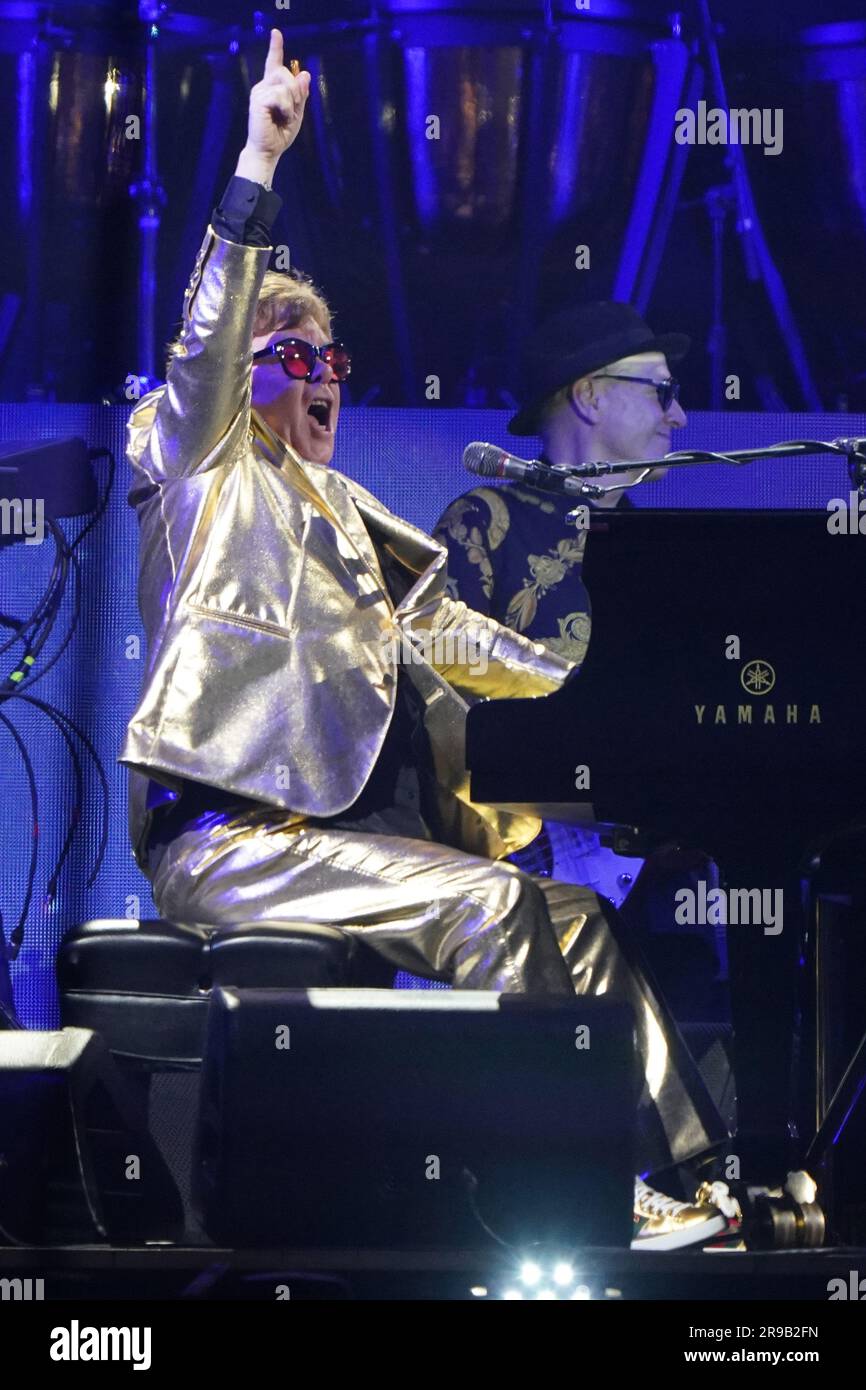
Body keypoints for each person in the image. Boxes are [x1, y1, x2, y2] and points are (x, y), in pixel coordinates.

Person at [119, 29, 732, 1248]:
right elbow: (200, 347)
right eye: (288, 358)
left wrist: (614, 709)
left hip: (330, 840)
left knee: (569, 916)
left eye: (330, 358)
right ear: (241, 379)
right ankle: (574, 1190)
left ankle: (698, 1173)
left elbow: (459, 638)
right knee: (499, 910)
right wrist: (258, 153)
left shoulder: (359, 519)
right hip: (231, 836)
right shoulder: (194, 463)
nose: (321, 379)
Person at [433, 304, 729, 1015]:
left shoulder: (663, 550)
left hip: (667, 882)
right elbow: (437, 701)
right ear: (590, 395)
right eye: (662, 391)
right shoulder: (484, 521)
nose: (679, 417)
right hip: (532, 879)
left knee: (693, 1052)